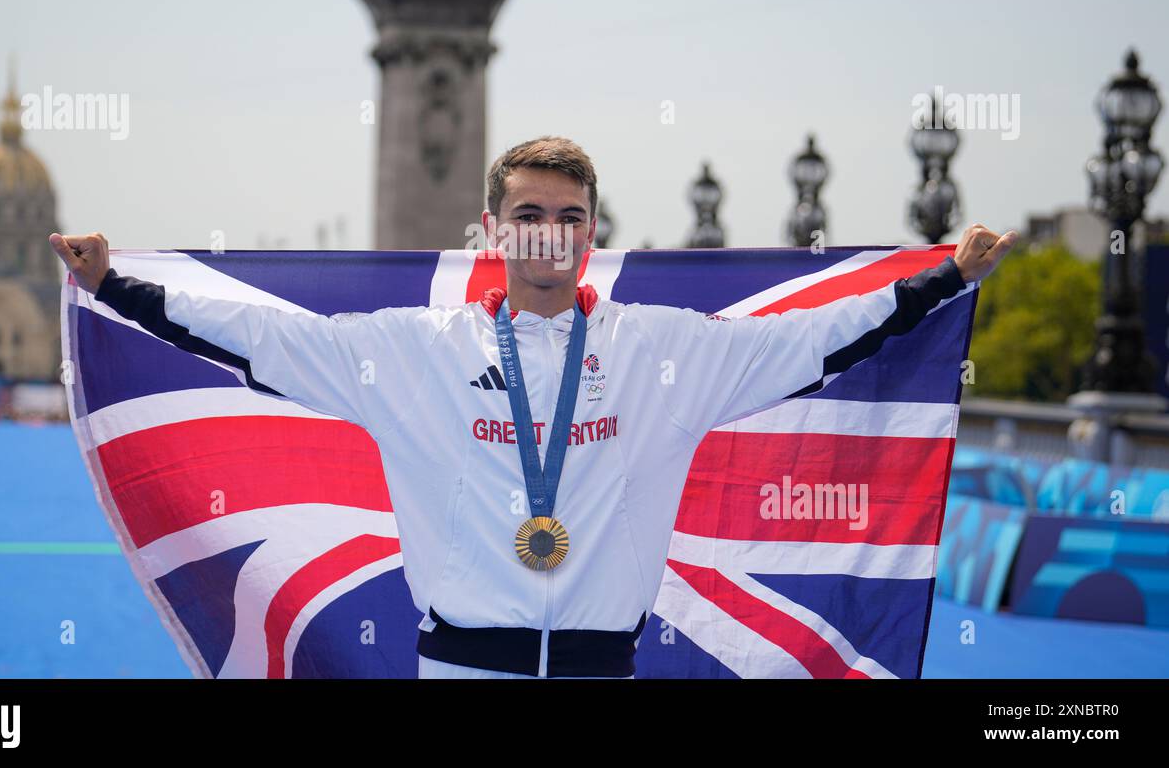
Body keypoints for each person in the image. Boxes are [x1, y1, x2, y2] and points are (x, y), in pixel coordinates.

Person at [49, 136, 1016, 679]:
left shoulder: (663, 351)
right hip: (460, 668)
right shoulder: (413, 351)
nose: (549, 233)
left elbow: (813, 343)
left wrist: (939, 280)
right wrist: (117, 283)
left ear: (592, 232)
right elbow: (259, 336)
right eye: (528, 214)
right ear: (491, 229)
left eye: (568, 217)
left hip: (603, 669)